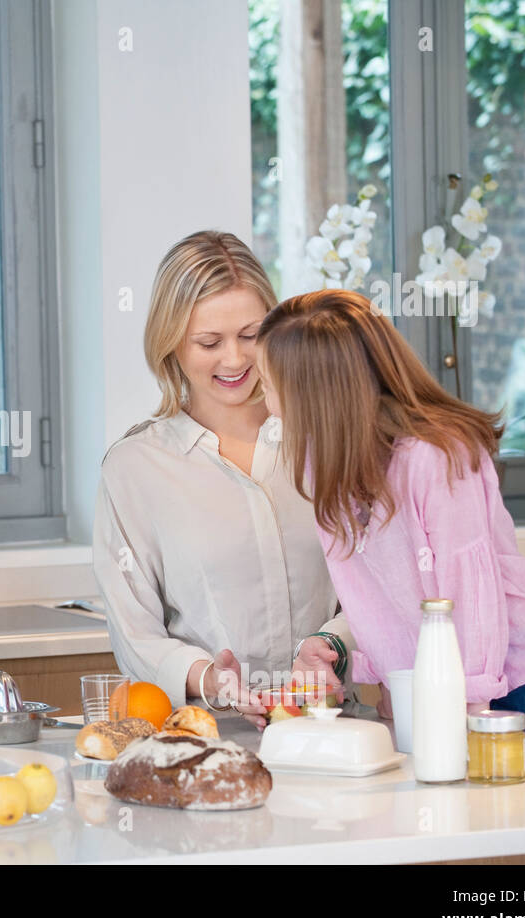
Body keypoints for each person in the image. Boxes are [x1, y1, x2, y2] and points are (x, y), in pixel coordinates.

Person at [256, 288, 525, 761]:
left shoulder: (438, 456)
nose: (264, 400)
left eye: (267, 383)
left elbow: (470, 600)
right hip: (440, 696)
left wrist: (458, 711)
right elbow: (379, 596)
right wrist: (393, 681)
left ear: (313, 393)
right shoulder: (326, 467)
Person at [93, 231, 351, 729]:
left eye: (251, 335)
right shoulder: (136, 467)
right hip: (204, 744)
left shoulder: (325, 443)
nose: (234, 360)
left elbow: (378, 585)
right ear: (171, 343)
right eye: (209, 342)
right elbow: (135, 634)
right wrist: (209, 679)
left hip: (334, 735)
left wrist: (333, 644)